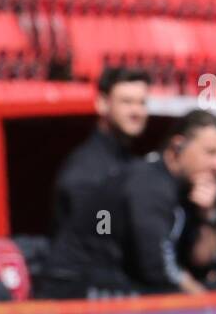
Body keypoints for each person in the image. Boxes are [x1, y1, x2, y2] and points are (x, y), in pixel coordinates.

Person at [38, 110, 216, 298]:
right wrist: (206, 304)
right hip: (77, 286)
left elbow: (201, 263)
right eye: (210, 153)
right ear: (178, 146)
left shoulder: (189, 189)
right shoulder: (149, 183)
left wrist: (208, 216)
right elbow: (156, 267)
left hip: (118, 283)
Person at [51, 66, 148, 231]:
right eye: (127, 102)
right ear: (102, 103)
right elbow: (100, 235)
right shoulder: (88, 169)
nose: (136, 111)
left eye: (142, 103)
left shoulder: (128, 161)